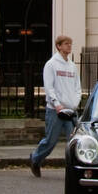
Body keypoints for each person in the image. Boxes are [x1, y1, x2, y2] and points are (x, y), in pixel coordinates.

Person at [30, 36, 81, 177]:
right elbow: (49, 87)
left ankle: (73, 170)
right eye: (66, 44)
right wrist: (57, 104)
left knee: (73, 141)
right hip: (55, 111)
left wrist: (75, 103)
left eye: (70, 43)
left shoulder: (72, 66)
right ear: (58, 46)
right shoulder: (51, 64)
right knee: (51, 141)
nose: (69, 46)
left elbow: (77, 87)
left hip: (70, 111)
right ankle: (36, 158)